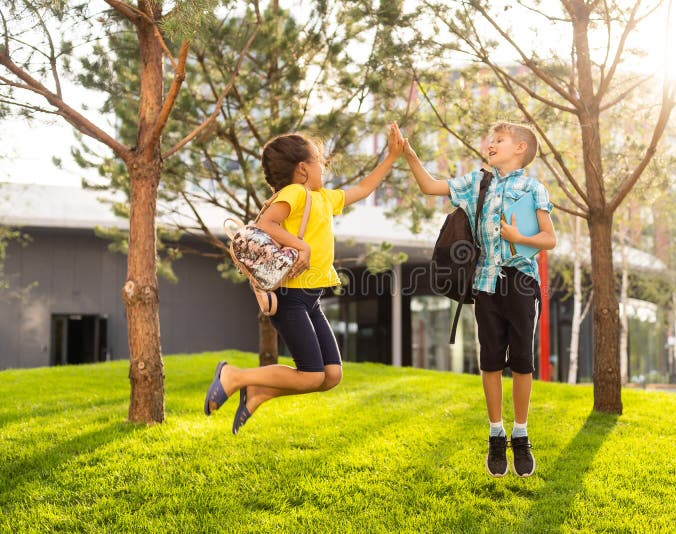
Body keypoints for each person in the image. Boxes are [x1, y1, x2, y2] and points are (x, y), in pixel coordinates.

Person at [204, 124, 404, 434]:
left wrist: (391, 156)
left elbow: (364, 189)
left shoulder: (321, 197)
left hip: (310, 299)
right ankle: (234, 376)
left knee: (331, 375)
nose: (323, 167)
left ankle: (259, 392)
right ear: (303, 168)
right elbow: (266, 223)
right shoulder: (294, 193)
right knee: (311, 375)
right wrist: (302, 246)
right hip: (290, 298)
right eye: (319, 161)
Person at [400, 121, 557, 477]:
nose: (491, 144)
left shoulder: (534, 188)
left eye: (499, 140)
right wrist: (409, 155)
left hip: (522, 282)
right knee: (490, 361)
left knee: (522, 361)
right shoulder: (476, 182)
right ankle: (496, 433)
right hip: (485, 283)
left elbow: (550, 239)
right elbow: (430, 186)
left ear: (520, 148)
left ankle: (520, 434)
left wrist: (518, 237)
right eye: (490, 140)